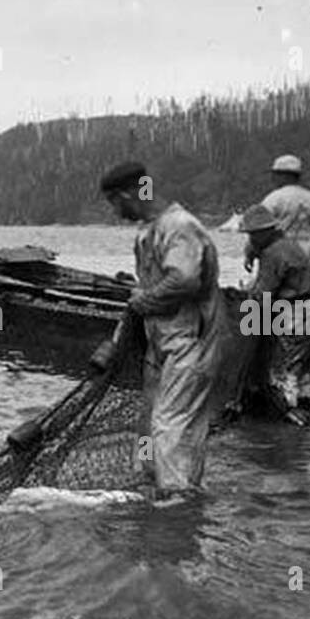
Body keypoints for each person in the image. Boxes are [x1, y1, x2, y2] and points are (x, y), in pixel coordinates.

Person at [100, 161, 224, 497]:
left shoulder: (179, 226)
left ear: (129, 194)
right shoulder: (149, 230)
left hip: (190, 342)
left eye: (114, 202)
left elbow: (184, 279)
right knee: (148, 424)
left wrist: (143, 300)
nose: (114, 211)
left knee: (172, 428)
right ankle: (149, 488)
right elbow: (153, 283)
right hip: (161, 343)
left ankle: (176, 506)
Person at [238, 204, 310, 424]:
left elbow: (262, 296)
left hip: (296, 315)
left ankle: (290, 418)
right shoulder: (288, 245)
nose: (251, 239)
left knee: (284, 371)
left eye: (253, 235)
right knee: (301, 368)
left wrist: (245, 302)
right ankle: (305, 409)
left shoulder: (273, 254)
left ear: (263, 233)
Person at [246, 154, 310, 269]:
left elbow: (258, 231)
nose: (273, 178)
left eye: (276, 174)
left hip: (276, 262)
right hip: (306, 262)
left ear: (282, 175)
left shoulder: (273, 199)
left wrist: (250, 255)